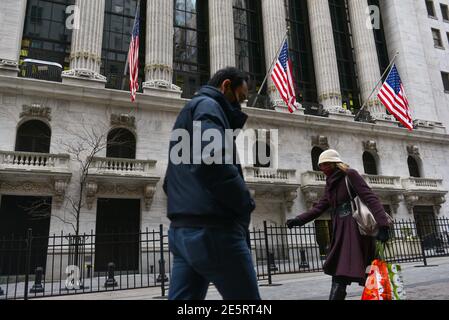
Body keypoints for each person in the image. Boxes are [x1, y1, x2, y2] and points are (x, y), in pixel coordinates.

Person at [163, 67, 260, 300]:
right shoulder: (209, 106)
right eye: (240, 97)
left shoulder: (190, 111)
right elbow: (212, 159)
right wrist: (245, 202)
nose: (240, 105)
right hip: (215, 231)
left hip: (182, 231)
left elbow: (169, 182)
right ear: (226, 86)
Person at [287, 149, 391, 300]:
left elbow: (370, 198)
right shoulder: (330, 183)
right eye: (321, 165)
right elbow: (320, 207)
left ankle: (380, 294)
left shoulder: (350, 175)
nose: (322, 169)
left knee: (352, 270)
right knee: (341, 269)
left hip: (355, 229)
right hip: (340, 230)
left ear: (334, 163)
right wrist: (299, 219)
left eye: (325, 164)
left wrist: (383, 225)